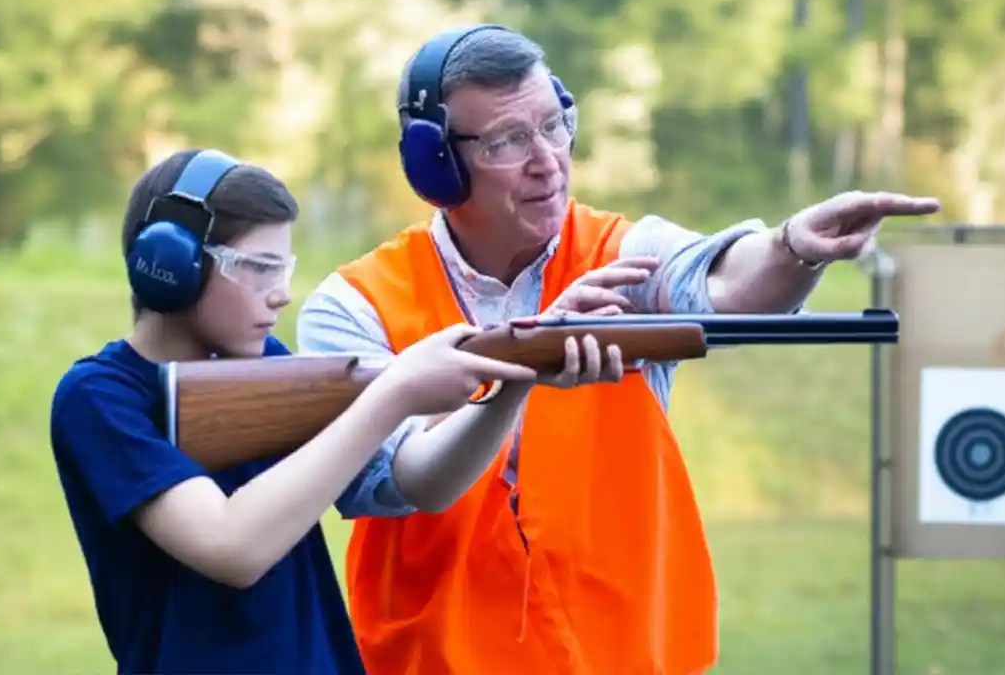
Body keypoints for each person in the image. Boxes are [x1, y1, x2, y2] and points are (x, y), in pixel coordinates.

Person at [296, 25, 942, 674]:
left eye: (554, 125)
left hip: (624, 655)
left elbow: (724, 283)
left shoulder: (619, 256)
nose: (547, 159)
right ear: (434, 161)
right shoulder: (354, 306)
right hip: (437, 659)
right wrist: (525, 360)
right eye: (506, 141)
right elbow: (400, 483)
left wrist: (792, 247)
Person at [48, 148, 613, 674]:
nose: (281, 293)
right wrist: (393, 392)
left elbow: (423, 482)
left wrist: (515, 370)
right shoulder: (100, 398)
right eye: (259, 268)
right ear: (170, 266)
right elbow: (233, 546)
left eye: (284, 269)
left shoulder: (263, 364)